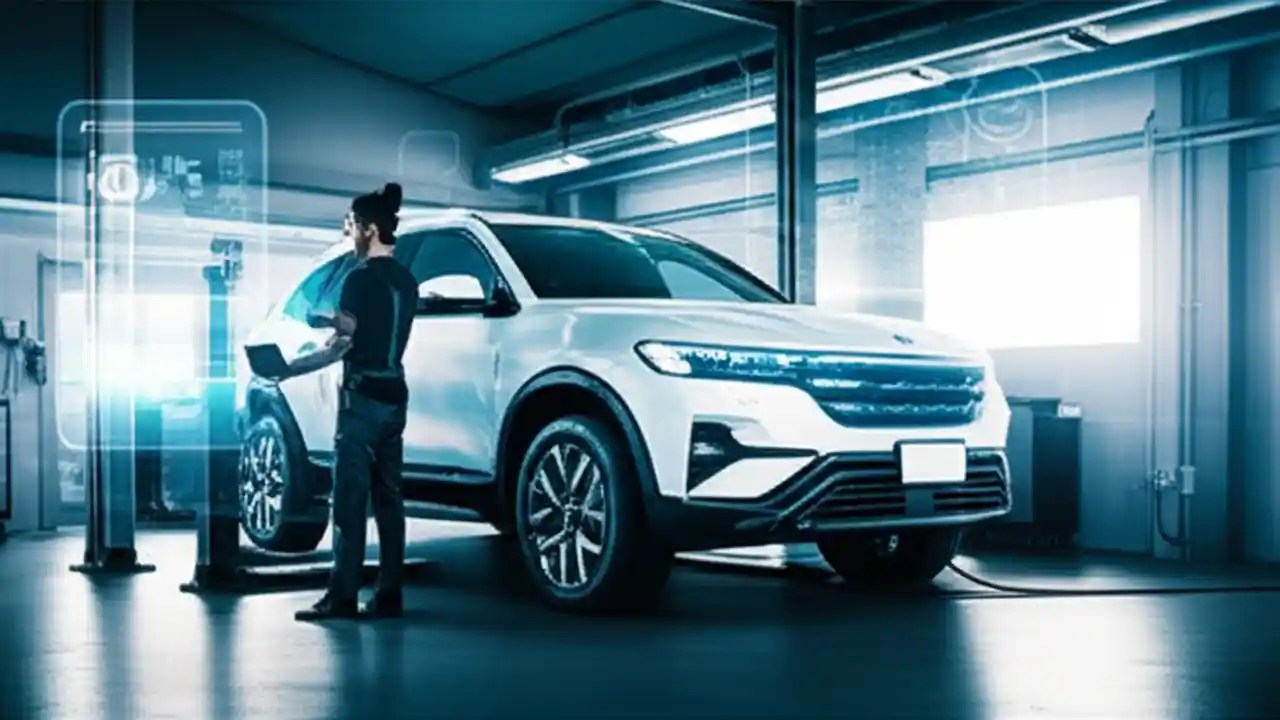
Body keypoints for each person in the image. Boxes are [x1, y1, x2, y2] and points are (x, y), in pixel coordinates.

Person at [281, 182, 419, 621]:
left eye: (353, 224)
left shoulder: (358, 278)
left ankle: (341, 597)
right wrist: (335, 321)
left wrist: (289, 369)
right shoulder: (407, 279)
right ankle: (390, 594)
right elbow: (371, 329)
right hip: (395, 394)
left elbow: (343, 344)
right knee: (389, 500)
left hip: (360, 401)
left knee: (348, 501)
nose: (350, 232)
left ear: (371, 229)